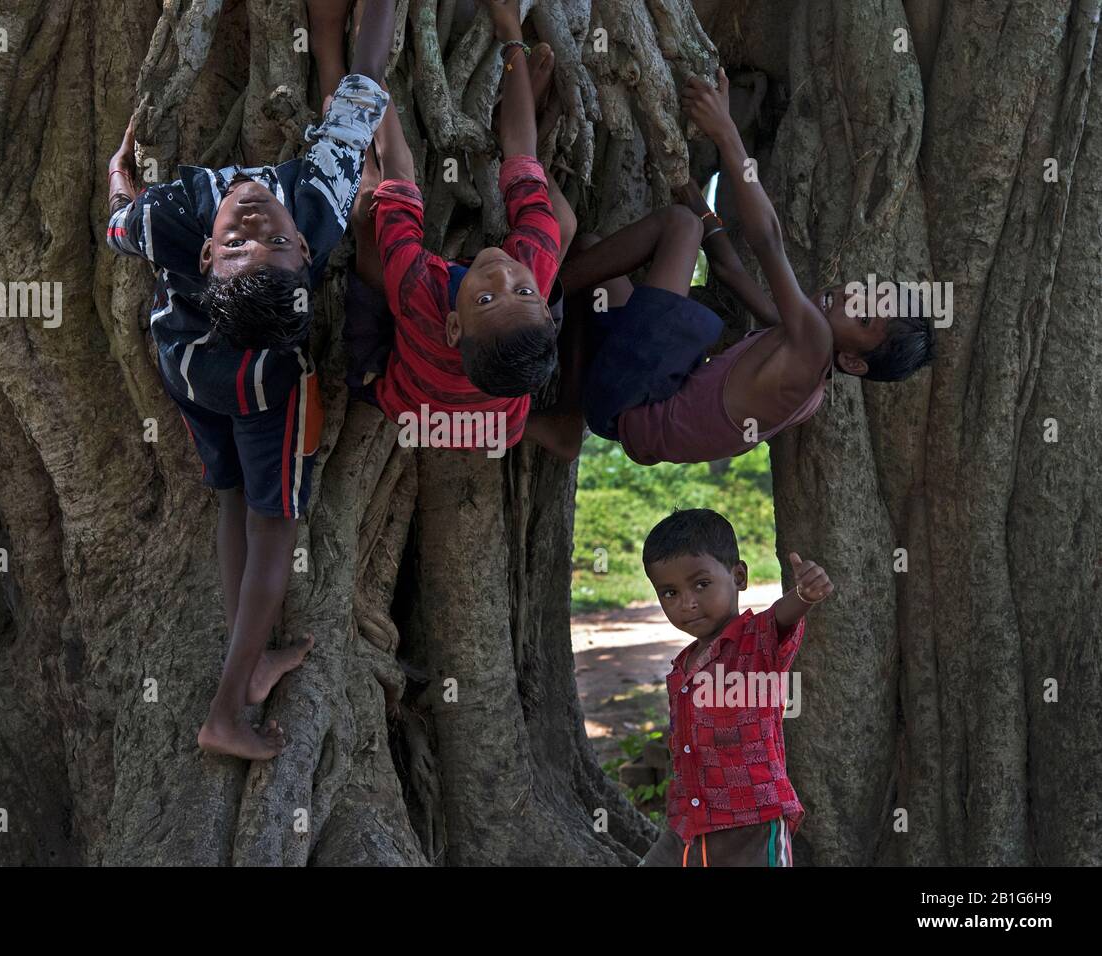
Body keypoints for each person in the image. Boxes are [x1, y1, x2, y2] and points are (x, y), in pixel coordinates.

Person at [103, 0, 396, 760]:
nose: (257, 220)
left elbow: (118, 222)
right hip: (250, 385)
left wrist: (117, 185)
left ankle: (244, 672)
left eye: (261, 238)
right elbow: (362, 86)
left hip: (198, 377)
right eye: (244, 239)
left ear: (307, 248)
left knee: (237, 500)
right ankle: (228, 705)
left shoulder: (178, 215)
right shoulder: (320, 198)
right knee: (273, 525)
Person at [551, 66, 935, 465]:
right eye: (864, 292)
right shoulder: (798, 358)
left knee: (679, 227)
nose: (849, 298)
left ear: (854, 361)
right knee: (595, 258)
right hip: (625, 402)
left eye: (862, 317)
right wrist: (689, 190)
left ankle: (539, 294)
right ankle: (565, 420)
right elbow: (729, 268)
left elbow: (767, 240)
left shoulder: (813, 345)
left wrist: (725, 130)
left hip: (635, 400)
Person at [346, 0, 577, 457]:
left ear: (453, 327)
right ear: (545, 312)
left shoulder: (419, 293)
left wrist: (369, 71)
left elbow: (399, 164)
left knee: (369, 210)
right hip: (500, 426)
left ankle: (334, 64)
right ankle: (515, 103)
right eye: (526, 292)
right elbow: (522, 155)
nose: (502, 276)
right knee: (560, 223)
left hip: (409, 404)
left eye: (488, 297)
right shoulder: (529, 275)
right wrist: (510, 33)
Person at [637, 508, 833, 866]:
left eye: (701, 584)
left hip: (752, 823)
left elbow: (781, 616)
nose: (687, 603)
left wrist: (803, 595)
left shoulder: (756, 642)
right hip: (689, 824)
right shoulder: (683, 665)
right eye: (669, 593)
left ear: (738, 576)